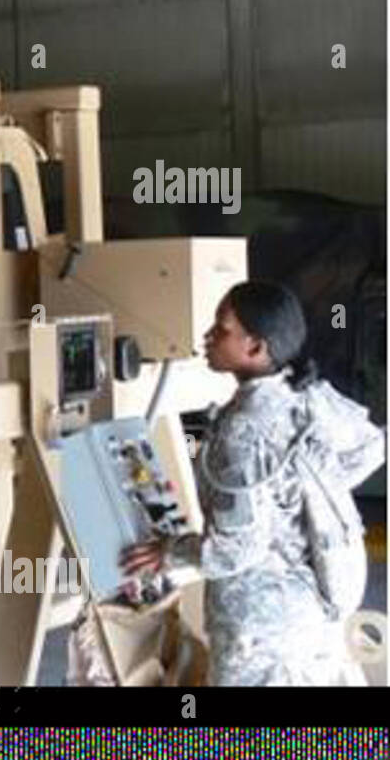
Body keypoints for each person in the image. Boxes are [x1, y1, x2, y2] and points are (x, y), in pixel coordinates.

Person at [121, 281, 385, 685]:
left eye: (222, 330)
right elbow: (370, 445)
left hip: (261, 634)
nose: (208, 337)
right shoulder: (308, 396)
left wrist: (168, 553)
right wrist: (302, 498)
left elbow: (235, 551)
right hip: (314, 611)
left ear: (256, 348)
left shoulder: (242, 432)